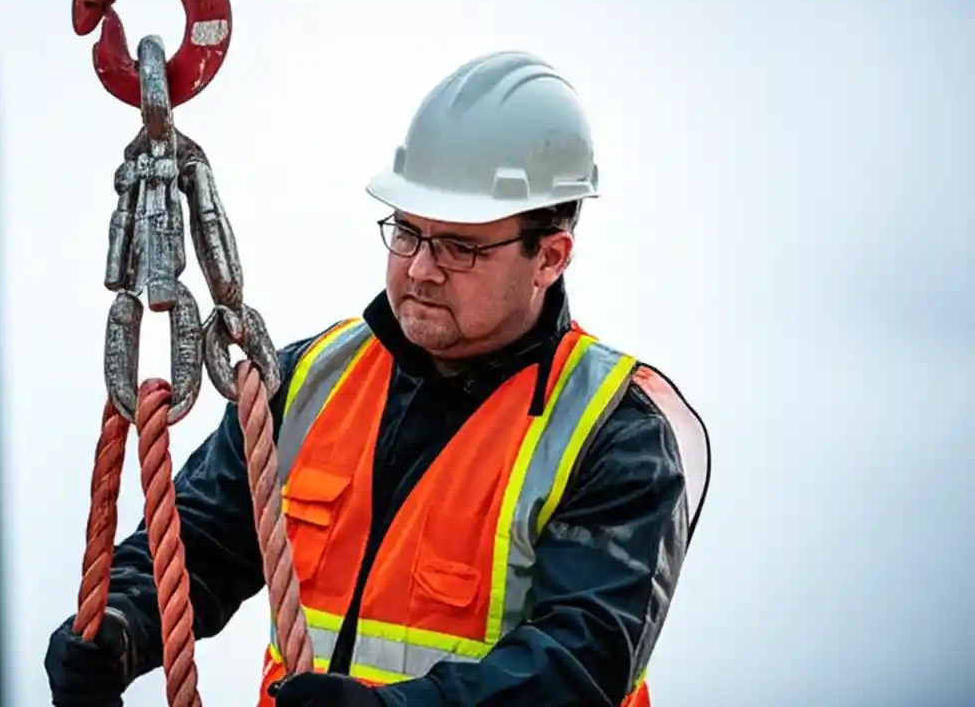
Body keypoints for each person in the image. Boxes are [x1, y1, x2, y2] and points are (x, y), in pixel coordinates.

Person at [45, 50, 711, 707]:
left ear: (550, 257)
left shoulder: (615, 436)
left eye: (460, 247)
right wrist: (124, 626)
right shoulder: (306, 381)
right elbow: (204, 539)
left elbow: (578, 666)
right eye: (408, 232)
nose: (421, 268)